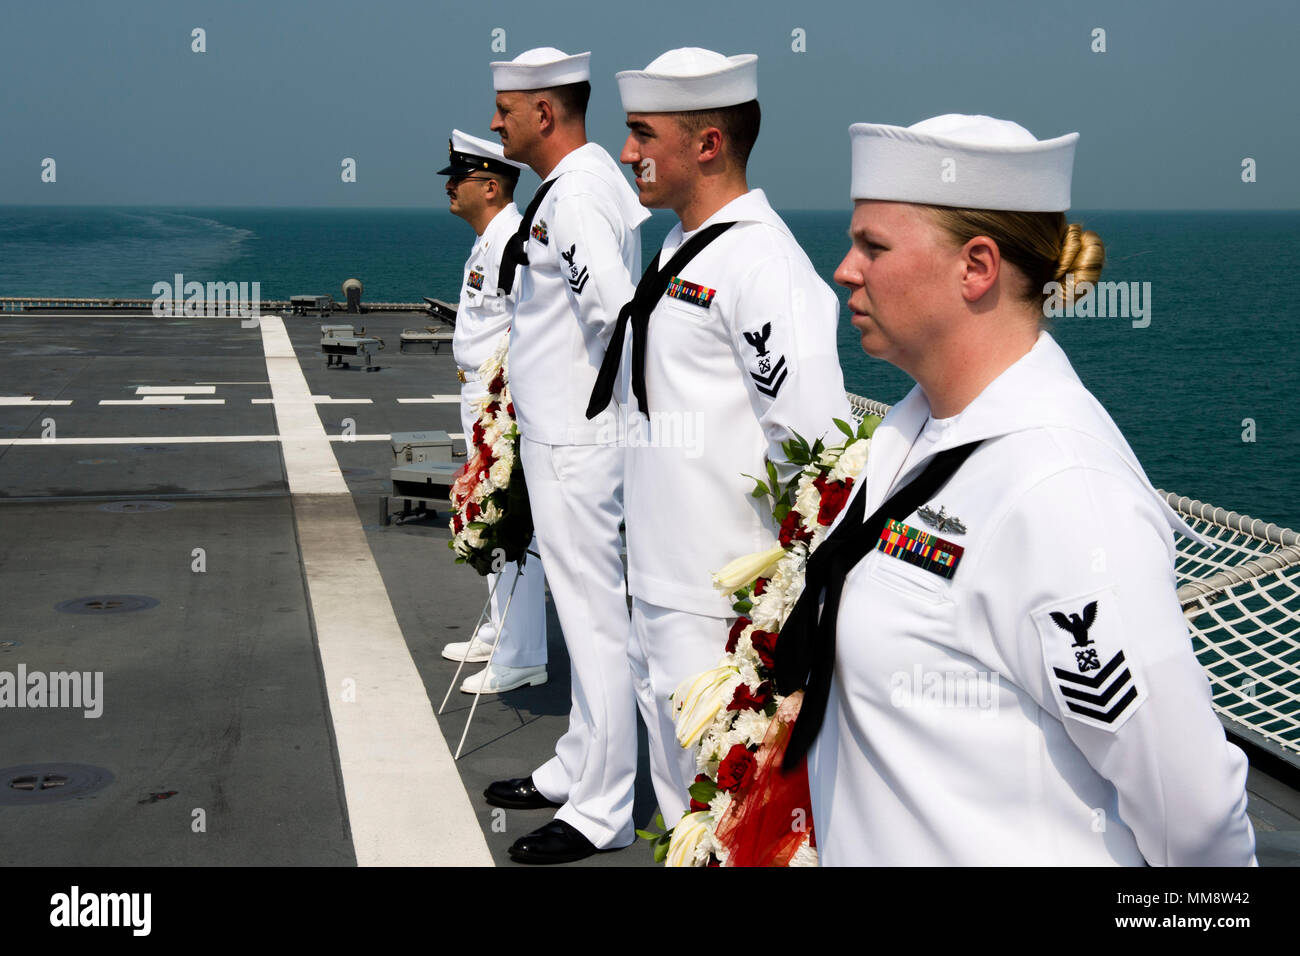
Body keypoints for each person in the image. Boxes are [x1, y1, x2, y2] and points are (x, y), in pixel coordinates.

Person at [777, 113, 1257, 865]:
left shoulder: (1063, 492)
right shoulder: (913, 435)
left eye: (873, 245)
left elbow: (1193, 813)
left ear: (976, 267)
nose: (845, 268)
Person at [588, 47, 850, 826]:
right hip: (661, 587)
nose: (627, 152)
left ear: (707, 144)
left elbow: (815, 452)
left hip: (718, 608)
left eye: (642, 133)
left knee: (731, 820)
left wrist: (778, 622)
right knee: (687, 820)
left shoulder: (763, 266)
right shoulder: (679, 248)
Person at [480, 47, 649, 864]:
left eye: (505, 109)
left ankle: (604, 807)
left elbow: (616, 319)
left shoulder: (576, 198)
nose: (493, 122)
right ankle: (578, 766)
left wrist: (598, 427)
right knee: (587, 625)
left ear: (544, 113)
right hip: (562, 438)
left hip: (579, 445)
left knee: (594, 625)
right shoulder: (568, 189)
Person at [436, 129, 549, 695]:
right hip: (478, 398)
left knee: (506, 518)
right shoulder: (490, 240)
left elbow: (529, 328)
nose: (450, 187)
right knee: (484, 509)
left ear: (489, 185)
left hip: (499, 403)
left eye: (458, 178)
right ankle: (500, 630)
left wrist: (507, 409)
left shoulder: (513, 242)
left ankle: (522, 653)